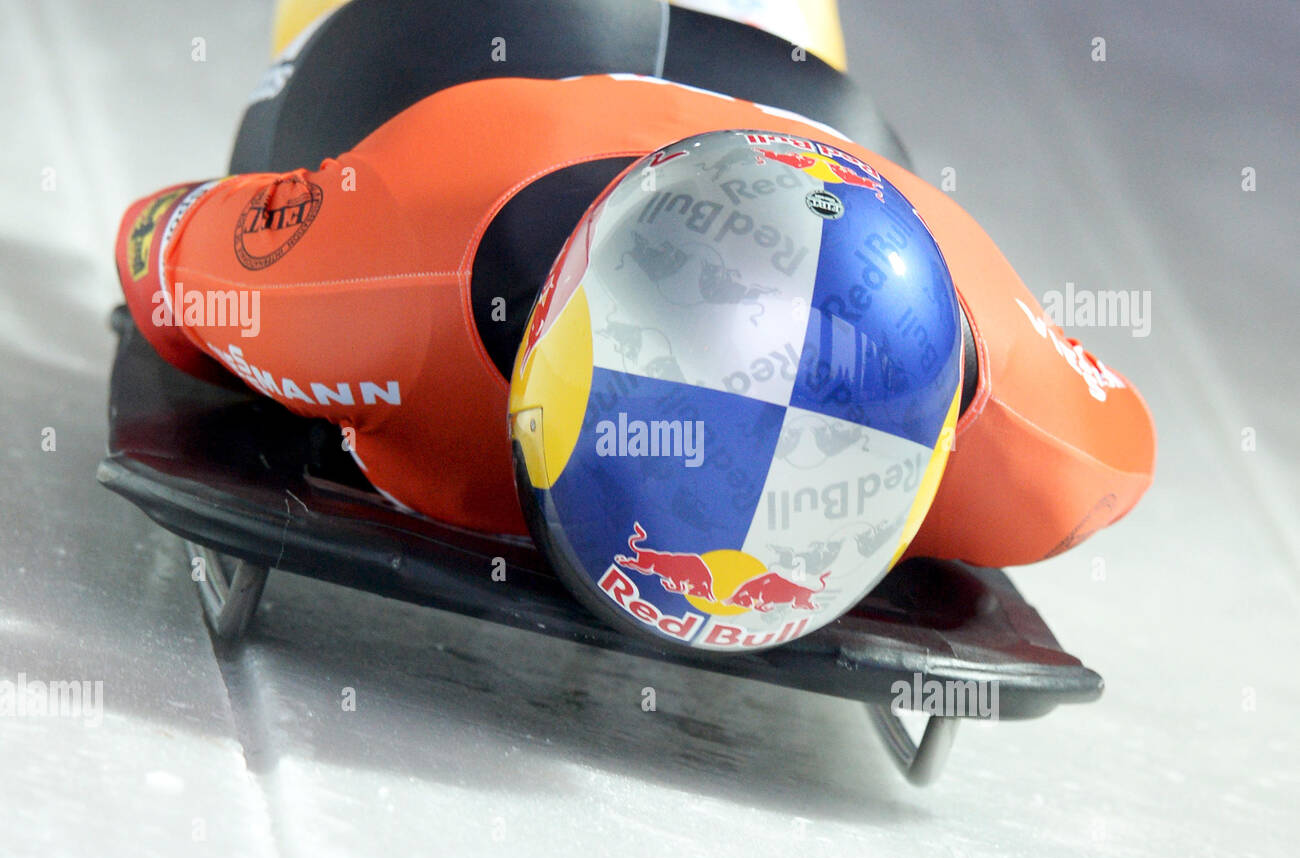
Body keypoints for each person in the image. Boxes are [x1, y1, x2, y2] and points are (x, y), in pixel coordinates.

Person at [113, 9, 1154, 573]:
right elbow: (162, 248)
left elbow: (159, 246)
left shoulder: (1027, 436)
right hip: (448, 63)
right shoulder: (386, 270)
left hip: (758, 85)